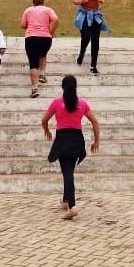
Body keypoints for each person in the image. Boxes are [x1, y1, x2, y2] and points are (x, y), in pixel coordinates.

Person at [42, 74, 100, 220]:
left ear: (62, 87)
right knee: (69, 170)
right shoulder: (82, 103)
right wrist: (96, 140)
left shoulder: (56, 103)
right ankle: (66, 199)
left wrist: (47, 130)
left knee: (67, 172)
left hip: (62, 139)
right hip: (76, 139)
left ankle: (72, 206)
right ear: (75, 87)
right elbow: (95, 122)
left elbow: (44, 120)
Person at [73, 0, 110, 75]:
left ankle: (93, 66)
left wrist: (101, 1)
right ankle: (81, 54)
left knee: (95, 41)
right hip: (84, 14)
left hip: (95, 15)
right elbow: (74, 1)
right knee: (86, 36)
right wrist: (81, 1)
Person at [21, 0, 59, 98]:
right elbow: (55, 19)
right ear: (43, 2)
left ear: (33, 2)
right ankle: (42, 74)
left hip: (31, 37)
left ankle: (35, 88)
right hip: (45, 37)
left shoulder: (28, 10)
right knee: (43, 54)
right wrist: (51, 31)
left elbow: (23, 25)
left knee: (33, 63)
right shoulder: (48, 10)